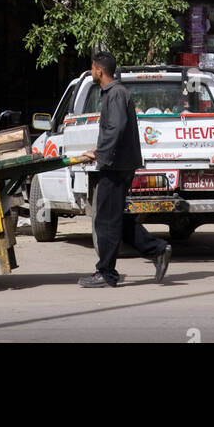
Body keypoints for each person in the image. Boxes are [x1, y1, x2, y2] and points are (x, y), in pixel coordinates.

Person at [78, 51, 171, 289]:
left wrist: (99, 154)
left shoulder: (116, 94)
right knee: (116, 218)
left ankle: (107, 273)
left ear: (100, 70)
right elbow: (113, 131)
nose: (91, 71)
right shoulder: (113, 93)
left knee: (105, 221)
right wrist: (98, 150)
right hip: (115, 162)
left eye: (92, 67)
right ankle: (158, 250)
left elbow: (117, 128)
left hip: (116, 166)